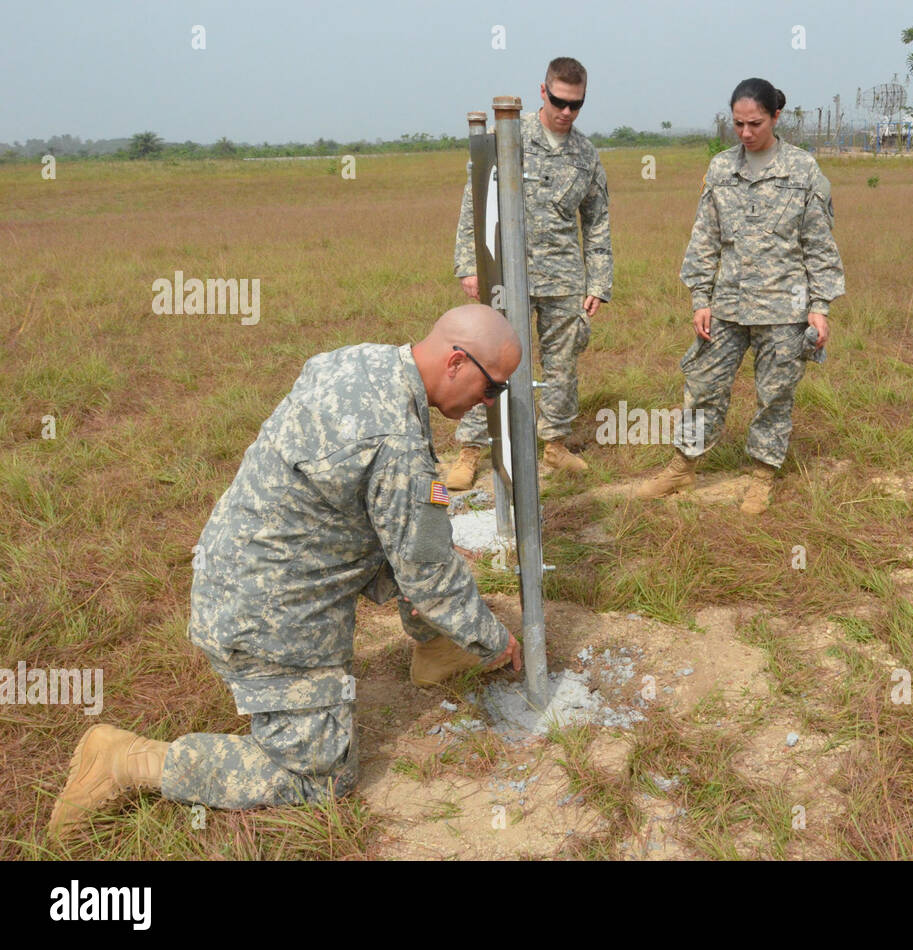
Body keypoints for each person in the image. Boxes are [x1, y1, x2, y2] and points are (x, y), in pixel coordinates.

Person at [47, 305, 524, 837]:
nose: (489, 403)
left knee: (414, 527)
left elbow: (412, 535)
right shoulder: (395, 446)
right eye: (492, 389)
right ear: (457, 361)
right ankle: (124, 760)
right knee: (322, 778)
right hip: (268, 619)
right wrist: (495, 641)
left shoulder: (361, 362)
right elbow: (429, 572)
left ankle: (436, 648)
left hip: (240, 565)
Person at [637, 78, 844, 515]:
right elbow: (705, 238)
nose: (746, 133)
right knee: (702, 387)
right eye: (738, 124)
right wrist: (700, 298)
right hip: (727, 306)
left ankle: (762, 476)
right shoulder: (720, 169)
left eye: (755, 123)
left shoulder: (803, 171)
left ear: (776, 117)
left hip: (784, 310)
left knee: (775, 395)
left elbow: (819, 245)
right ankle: (683, 466)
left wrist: (820, 308)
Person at [445, 55, 613, 488]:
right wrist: (470, 264)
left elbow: (596, 222)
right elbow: (475, 201)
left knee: (562, 364)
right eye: (559, 101)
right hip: (506, 274)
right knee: (487, 360)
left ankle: (555, 444)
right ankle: (470, 450)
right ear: (543, 92)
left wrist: (598, 281)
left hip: (563, 278)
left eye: (576, 105)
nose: (566, 112)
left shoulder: (586, 155)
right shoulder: (509, 140)